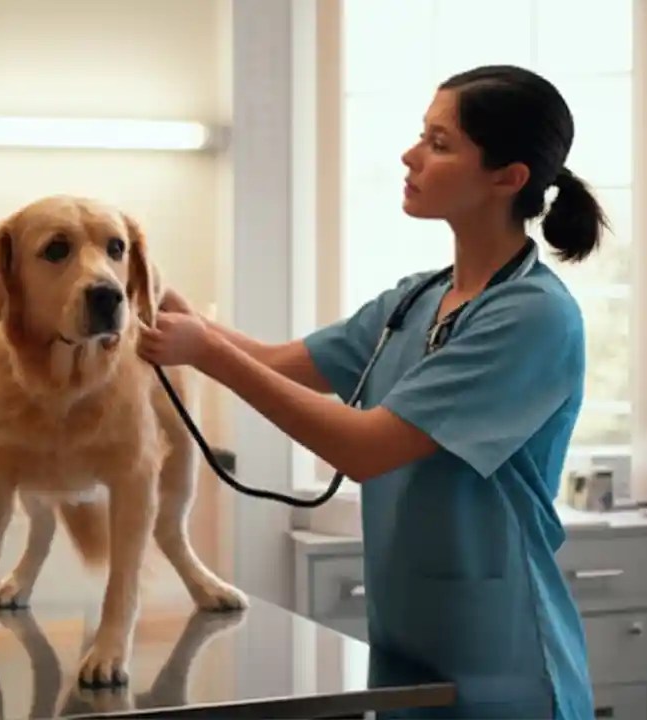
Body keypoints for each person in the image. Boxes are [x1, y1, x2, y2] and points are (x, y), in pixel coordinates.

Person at [139, 64, 602, 719]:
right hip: (406, 649)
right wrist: (172, 310)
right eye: (422, 135)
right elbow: (281, 362)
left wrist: (204, 350)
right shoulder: (414, 299)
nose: (411, 155)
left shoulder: (532, 317)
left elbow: (364, 448)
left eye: (440, 144)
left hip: (505, 663)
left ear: (508, 177)